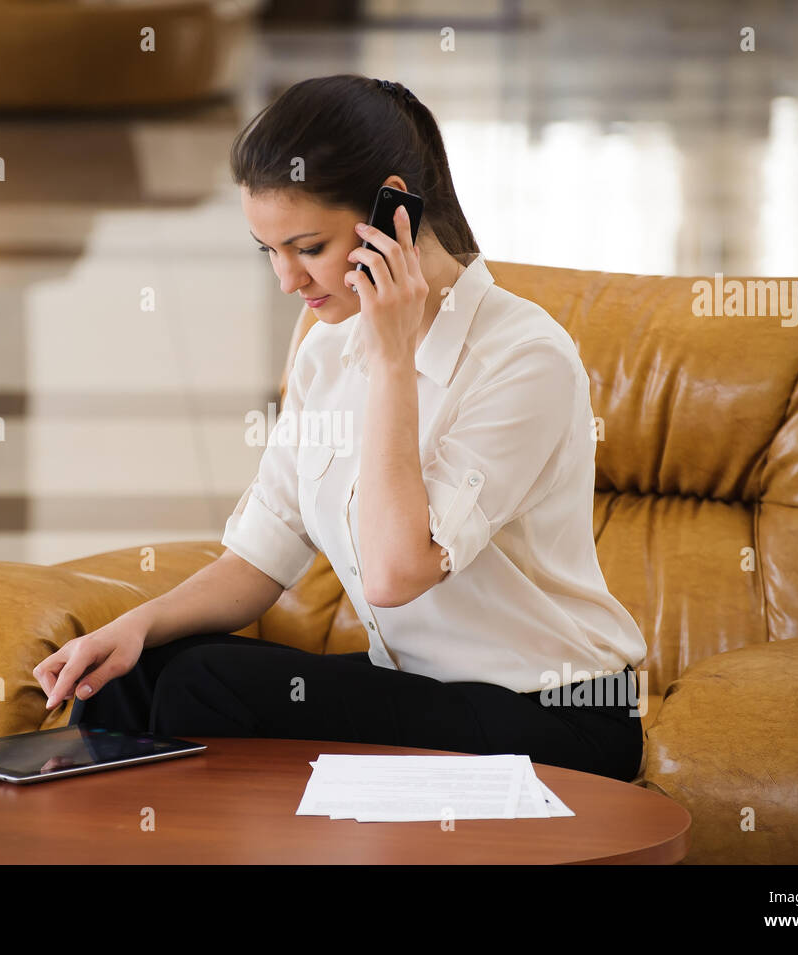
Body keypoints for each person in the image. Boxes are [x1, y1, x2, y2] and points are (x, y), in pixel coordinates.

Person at [33, 73, 648, 783]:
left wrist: (393, 361)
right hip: (423, 691)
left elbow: (395, 572)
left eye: (306, 246)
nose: (287, 280)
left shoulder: (524, 358)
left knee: (208, 688)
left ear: (392, 216)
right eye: (268, 250)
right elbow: (263, 555)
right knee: (132, 677)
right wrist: (134, 627)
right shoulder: (328, 348)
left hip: (557, 711)